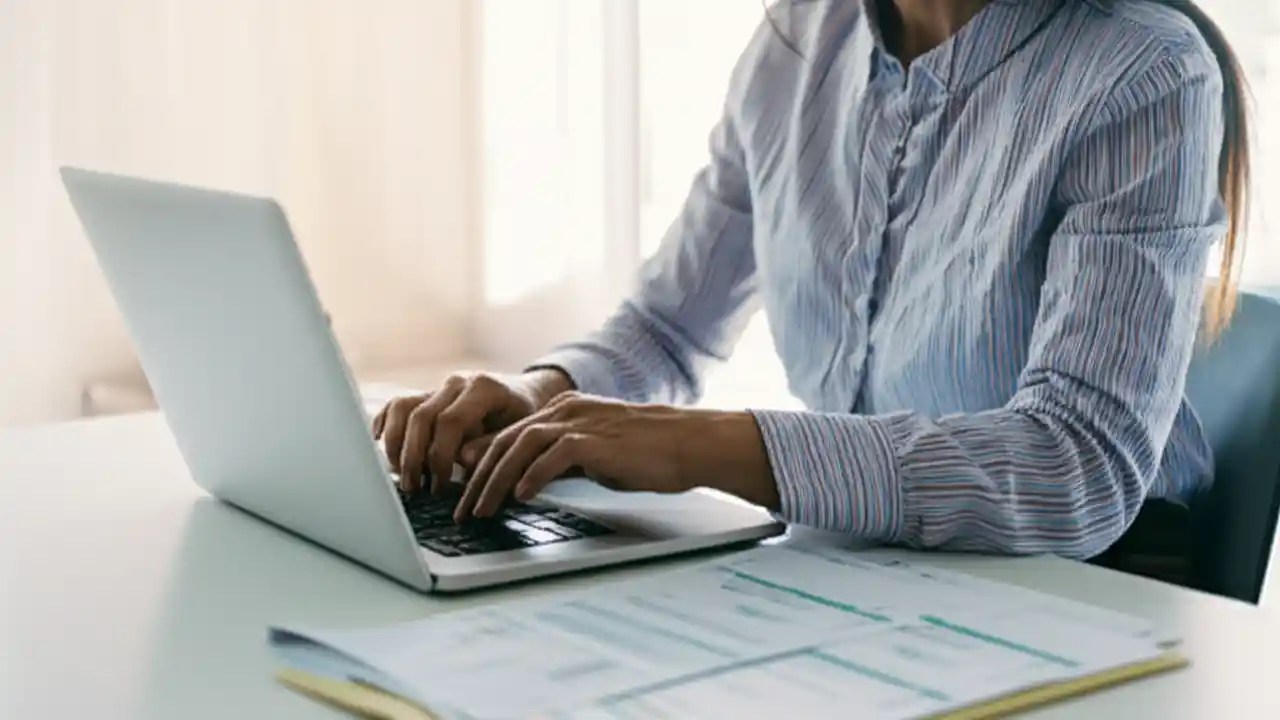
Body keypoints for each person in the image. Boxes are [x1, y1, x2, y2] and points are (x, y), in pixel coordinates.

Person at [374, 0, 1250, 581]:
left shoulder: (1141, 72)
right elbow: (667, 329)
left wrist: (700, 449)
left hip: (1085, 583)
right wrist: (542, 397)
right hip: (870, 565)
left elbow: (1074, 466)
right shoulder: (804, 32)